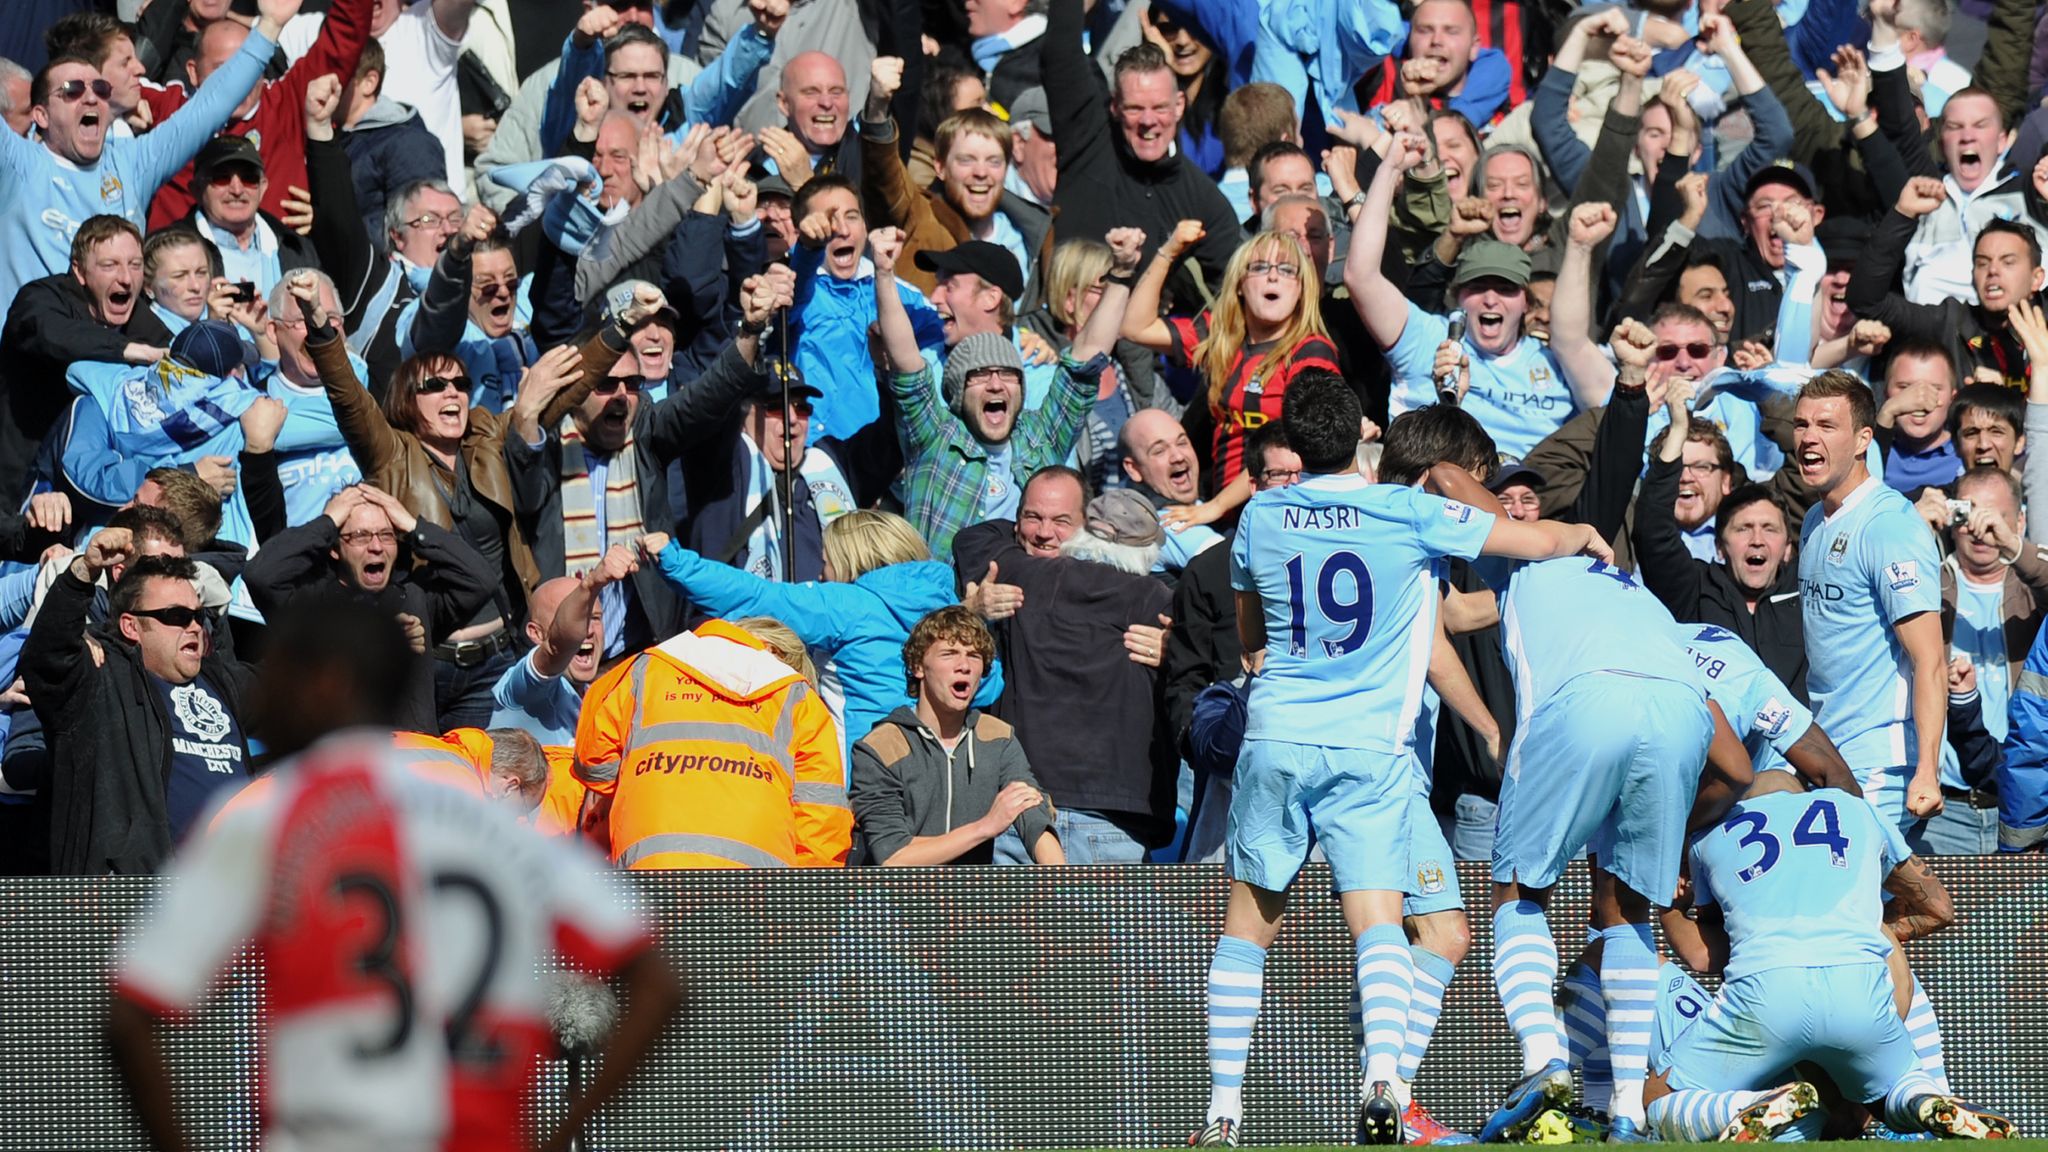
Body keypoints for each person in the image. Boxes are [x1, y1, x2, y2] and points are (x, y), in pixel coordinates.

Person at [106, 598, 680, 1152]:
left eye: (274, 679)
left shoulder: (272, 816)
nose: (261, 700)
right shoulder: (498, 826)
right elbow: (657, 981)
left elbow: (132, 1012)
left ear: (324, 684)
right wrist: (560, 1132)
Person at [1646, 770, 2013, 1141]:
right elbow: (1939, 910)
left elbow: (1707, 956)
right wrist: (1864, 928)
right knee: (1897, 1085)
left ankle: (1746, 1107)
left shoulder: (1709, 835)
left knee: (1656, 1098)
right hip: (1862, 994)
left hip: (1769, 996)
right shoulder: (1858, 810)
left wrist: (1670, 911)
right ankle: (1922, 1099)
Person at [507, 273, 792, 661]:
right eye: (606, 384)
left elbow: (707, 397)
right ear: (574, 392)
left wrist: (751, 329)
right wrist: (526, 415)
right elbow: (524, 493)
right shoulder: (547, 446)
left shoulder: (646, 433)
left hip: (639, 652)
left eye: (633, 383)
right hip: (558, 658)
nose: (623, 397)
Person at [0, 0, 291, 311]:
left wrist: (270, 26)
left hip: (117, 353)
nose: (89, 98)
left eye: (99, 88)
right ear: (41, 115)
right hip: (30, 354)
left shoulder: (133, 164)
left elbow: (211, 106)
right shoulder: (17, 163)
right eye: (71, 91)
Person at [645, 509, 998, 754]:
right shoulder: (951, 610)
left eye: (826, 563)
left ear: (851, 560)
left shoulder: (847, 606)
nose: (819, 575)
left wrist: (675, 562)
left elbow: (757, 597)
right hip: (940, 786)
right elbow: (991, 685)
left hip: (865, 785)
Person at [872, 224, 1124, 560]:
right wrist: (884, 274)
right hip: (950, 603)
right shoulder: (935, 438)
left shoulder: (1042, 436)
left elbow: (1088, 358)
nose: (995, 384)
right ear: (957, 392)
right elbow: (905, 363)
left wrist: (1122, 275)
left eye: (1007, 375)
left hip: (1035, 595)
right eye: (979, 376)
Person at [951, 488, 1176, 864]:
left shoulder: (1025, 578)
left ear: (1083, 534)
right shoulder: (1157, 600)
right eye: (1034, 519)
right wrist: (1177, 649)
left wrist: (1030, 531)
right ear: (1148, 553)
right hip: (1114, 818)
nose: (1043, 534)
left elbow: (973, 537)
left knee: (1019, 926)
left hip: (1024, 810)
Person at [1347, 132, 1602, 459]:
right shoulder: (1428, 337)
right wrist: (1390, 169)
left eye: (1506, 289)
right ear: (1458, 296)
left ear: (1526, 302)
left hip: (1531, 500)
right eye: (1478, 287)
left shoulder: (1557, 361)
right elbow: (1361, 276)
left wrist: (1580, 246)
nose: (1491, 299)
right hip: (1437, 494)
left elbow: (1614, 415)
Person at [22, 531, 254, 875]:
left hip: (231, 895)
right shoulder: (100, 677)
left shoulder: (222, 679)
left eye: (197, 615)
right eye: (175, 616)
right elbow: (48, 657)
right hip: (133, 899)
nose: (192, 626)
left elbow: (303, 692)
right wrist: (83, 573)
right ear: (132, 626)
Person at [1793, 370, 1949, 828]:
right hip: (1828, 753)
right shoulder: (1813, 522)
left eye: (1826, 426)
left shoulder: (1889, 525)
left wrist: (1927, 771)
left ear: (1863, 439)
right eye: (1802, 424)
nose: (1808, 438)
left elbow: (1930, 661)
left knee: (1848, 896)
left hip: (1880, 762)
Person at [573, 613, 851, 869]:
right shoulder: (800, 699)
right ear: (778, 656)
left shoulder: (645, 668)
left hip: (649, 874)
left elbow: (594, 764)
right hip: (756, 895)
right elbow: (822, 828)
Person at [1122, 224, 1339, 522]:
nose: (1273, 276)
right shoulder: (1221, 336)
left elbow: (1295, 442)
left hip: (1283, 515)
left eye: (1287, 270)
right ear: (1239, 283)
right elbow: (1135, 327)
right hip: (1224, 516)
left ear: (1302, 288)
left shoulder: (1312, 352)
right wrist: (1168, 251)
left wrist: (1216, 505)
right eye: (1260, 267)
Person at [244, 483, 496, 732]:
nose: (376, 546)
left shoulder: (414, 597)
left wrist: (413, 527)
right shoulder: (310, 603)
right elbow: (260, 575)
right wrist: (327, 522)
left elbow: (481, 580)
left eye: (387, 535)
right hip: (342, 761)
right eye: (360, 536)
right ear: (334, 548)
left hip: (413, 760)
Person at [1039, 0, 1239, 292]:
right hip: (1059, 331)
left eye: (1159, 107)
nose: (1148, 121)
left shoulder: (1202, 200)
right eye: (1134, 108)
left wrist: (1173, 331)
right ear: (1115, 107)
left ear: (1179, 106)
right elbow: (1059, 51)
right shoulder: (1087, 140)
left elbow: (1232, 290)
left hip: (1142, 335)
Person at [849, 605, 1064, 866]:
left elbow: (1032, 814)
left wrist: (1060, 882)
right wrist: (985, 827)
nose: (964, 666)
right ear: (918, 666)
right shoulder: (881, 746)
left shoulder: (997, 737)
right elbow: (893, 856)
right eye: (949, 654)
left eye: (974, 656)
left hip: (969, 902)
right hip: (898, 902)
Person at [0, 215, 176, 510]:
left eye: (135, 265)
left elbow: (173, 364)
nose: (126, 278)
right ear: (80, 272)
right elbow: (55, 335)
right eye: (110, 265)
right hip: (16, 478)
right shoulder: (41, 299)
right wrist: (130, 350)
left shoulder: (143, 322)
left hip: (92, 482)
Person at [860, 58, 1052, 301]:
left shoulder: (1035, 230)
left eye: (993, 161)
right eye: (966, 160)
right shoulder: (921, 216)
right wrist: (877, 109)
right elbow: (884, 175)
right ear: (939, 166)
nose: (981, 172)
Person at [1929, 466, 2044, 853]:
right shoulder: (1928, 586)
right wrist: (1912, 533)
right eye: (1968, 514)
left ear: (2020, 520)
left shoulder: (2032, 592)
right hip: (1943, 812)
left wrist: (2013, 547)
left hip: (2025, 809)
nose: (1979, 529)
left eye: (1994, 517)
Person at [1850, 181, 2044, 391]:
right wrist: (1903, 214)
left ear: (2037, 278)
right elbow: (1866, 301)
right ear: (1972, 276)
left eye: (2008, 262)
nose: (1993, 271)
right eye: (1982, 263)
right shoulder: (1949, 323)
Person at [179, 134, 320, 300]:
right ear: (196, 189)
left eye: (248, 178)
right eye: (222, 178)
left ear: (263, 187)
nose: (237, 190)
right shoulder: (170, 253)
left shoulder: (296, 248)